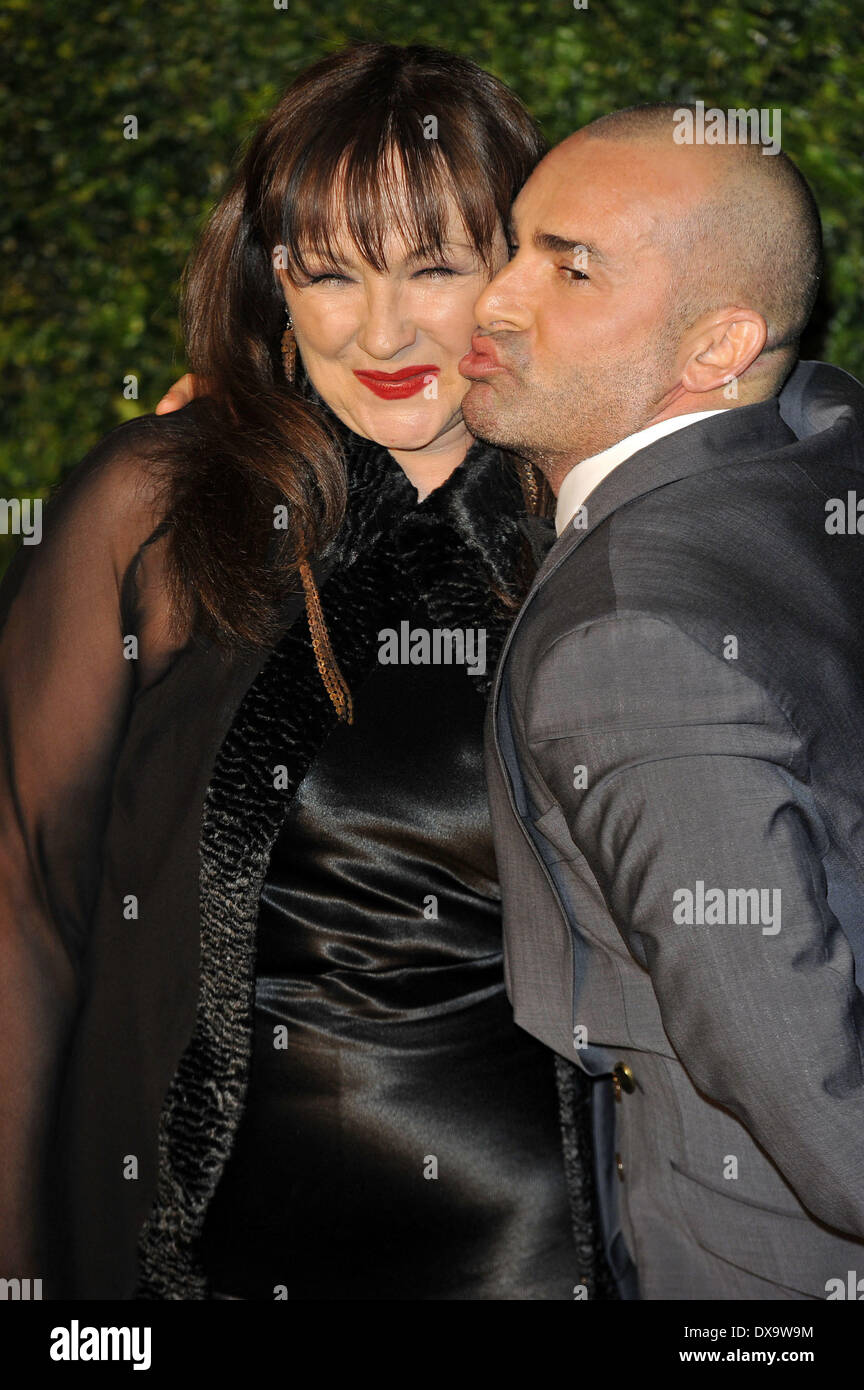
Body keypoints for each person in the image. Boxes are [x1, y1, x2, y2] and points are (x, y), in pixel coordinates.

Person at [0, 43, 609, 1301]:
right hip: (194, 1251)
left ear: (521, 269)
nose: (381, 332)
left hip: (532, 1249)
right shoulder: (158, 507)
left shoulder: (609, 517)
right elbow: (23, 906)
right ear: (275, 286)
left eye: (434, 268)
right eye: (330, 275)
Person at [465, 103, 864, 1299]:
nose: (491, 299)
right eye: (513, 244)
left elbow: (815, 1098)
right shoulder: (815, 441)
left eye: (569, 267)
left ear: (714, 349)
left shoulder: (627, 640)